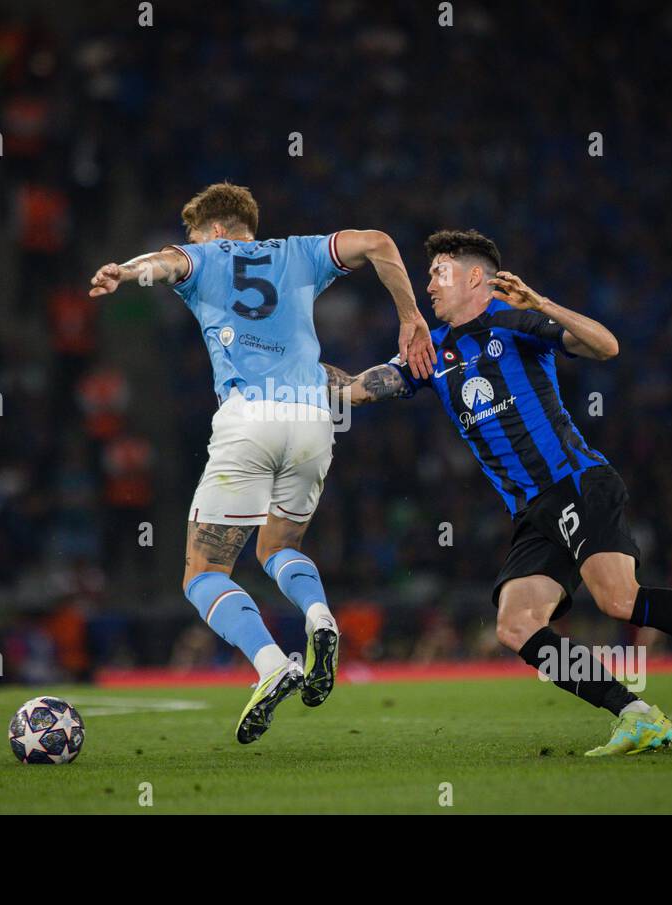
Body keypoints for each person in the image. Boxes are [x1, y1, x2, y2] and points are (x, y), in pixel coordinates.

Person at [326, 229, 672, 755]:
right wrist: (285, 385)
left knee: (619, 599)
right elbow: (356, 389)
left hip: (577, 483)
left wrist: (542, 303)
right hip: (534, 510)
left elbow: (607, 346)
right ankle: (636, 714)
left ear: (475, 277)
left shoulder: (517, 322)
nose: (427, 284)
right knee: (517, 625)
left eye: (438, 273)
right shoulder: (433, 352)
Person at [88, 182, 434, 742]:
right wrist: (411, 320)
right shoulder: (302, 252)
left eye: (196, 236)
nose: (193, 245)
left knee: (203, 573)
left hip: (248, 418)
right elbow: (377, 243)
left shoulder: (204, 257)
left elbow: (168, 264)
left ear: (216, 231)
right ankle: (319, 616)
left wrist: (124, 272)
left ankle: (273, 663)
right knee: (278, 547)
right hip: (313, 419)